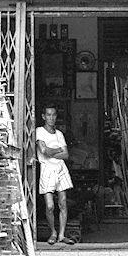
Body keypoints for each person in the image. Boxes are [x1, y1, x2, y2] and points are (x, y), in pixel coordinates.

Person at [36, 105, 74, 245]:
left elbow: (66, 155)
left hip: (61, 169)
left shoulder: (59, 134)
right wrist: (58, 149)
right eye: (48, 115)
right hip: (47, 170)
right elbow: (44, 151)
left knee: (63, 203)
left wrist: (53, 151)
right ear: (43, 116)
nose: (51, 118)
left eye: (54, 115)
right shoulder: (39, 131)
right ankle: (53, 231)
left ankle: (61, 235)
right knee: (50, 206)